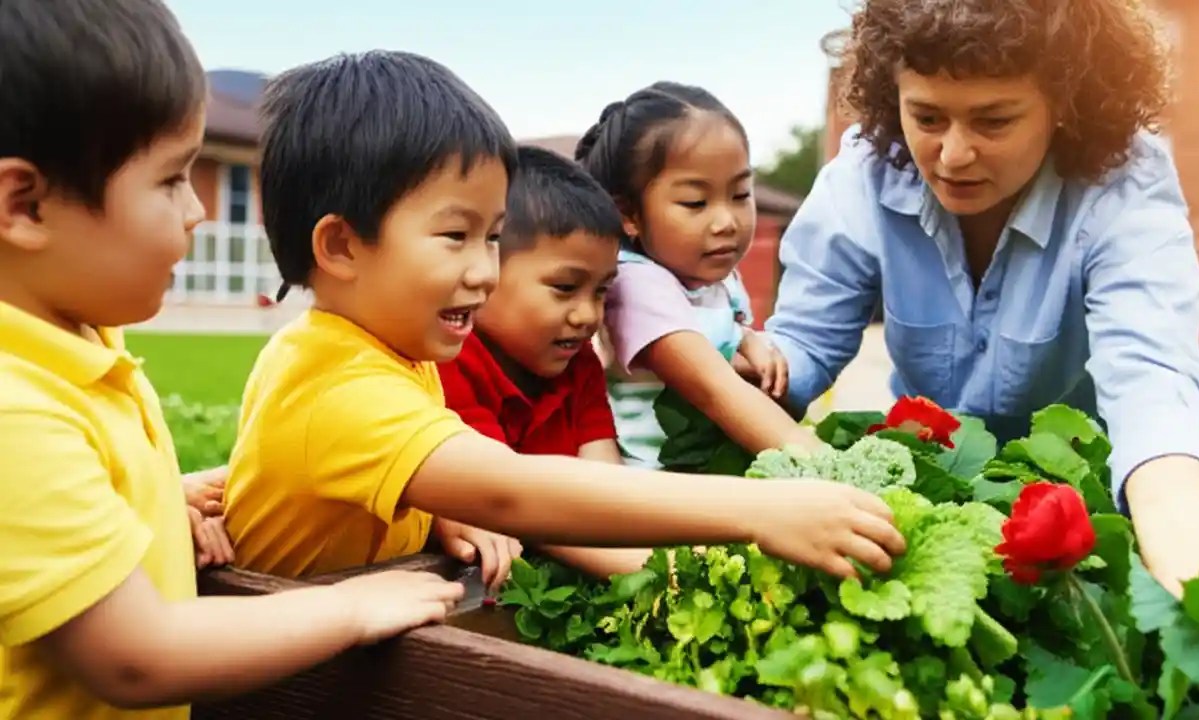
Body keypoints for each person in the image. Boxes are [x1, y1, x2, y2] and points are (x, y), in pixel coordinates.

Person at [222, 51, 907, 595]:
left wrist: (438, 503)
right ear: (341, 247)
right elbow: (512, 488)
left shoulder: (391, 357)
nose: (486, 271)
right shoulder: (339, 384)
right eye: (455, 236)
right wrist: (760, 511)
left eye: (492, 237)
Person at [0, 3, 469, 718]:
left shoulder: (82, 351)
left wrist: (154, 499)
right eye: (170, 180)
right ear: (25, 205)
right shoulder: (15, 410)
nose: (198, 211)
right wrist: (347, 609)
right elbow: (137, 656)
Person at [763, 0, 1199, 593]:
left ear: (1065, 106)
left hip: (1084, 501)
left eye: (993, 121)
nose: (952, 156)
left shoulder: (1125, 185)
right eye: (926, 118)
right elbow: (799, 353)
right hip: (938, 488)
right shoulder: (864, 174)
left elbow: (1153, 396)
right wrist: (728, 358)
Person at [577, 82, 822, 468]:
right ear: (628, 214)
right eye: (696, 202)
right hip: (654, 486)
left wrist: (748, 341)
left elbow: (719, 331)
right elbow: (715, 391)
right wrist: (826, 467)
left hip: (704, 470)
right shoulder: (637, 285)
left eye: (740, 194)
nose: (726, 222)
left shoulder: (712, 277)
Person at [438, 145, 651, 578]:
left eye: (600, 291)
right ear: (486, 270)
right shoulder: (450, 363)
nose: (588, 315)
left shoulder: (579, 364)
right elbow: (511, 501)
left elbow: (607, 486)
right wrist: (658, 573)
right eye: (565, 287)